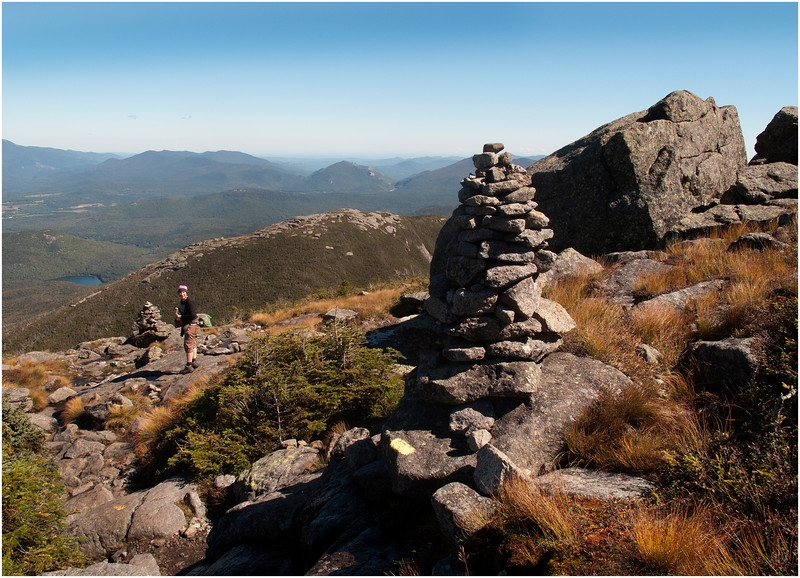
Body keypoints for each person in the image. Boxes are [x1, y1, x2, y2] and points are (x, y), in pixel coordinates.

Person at [175, 285, 200, 374]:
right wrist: (179, 310)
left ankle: (188, 366)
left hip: (191, 325)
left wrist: (181, 316)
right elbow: (186, 311)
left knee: (188, 345)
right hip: (191, 325)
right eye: (180, 292)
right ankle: (194, 362)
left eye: (183, 292)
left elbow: (192, 315)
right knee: (192, 343)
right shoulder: (183, 301)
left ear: (186, 292)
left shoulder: (189, 302)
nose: (182, 294)